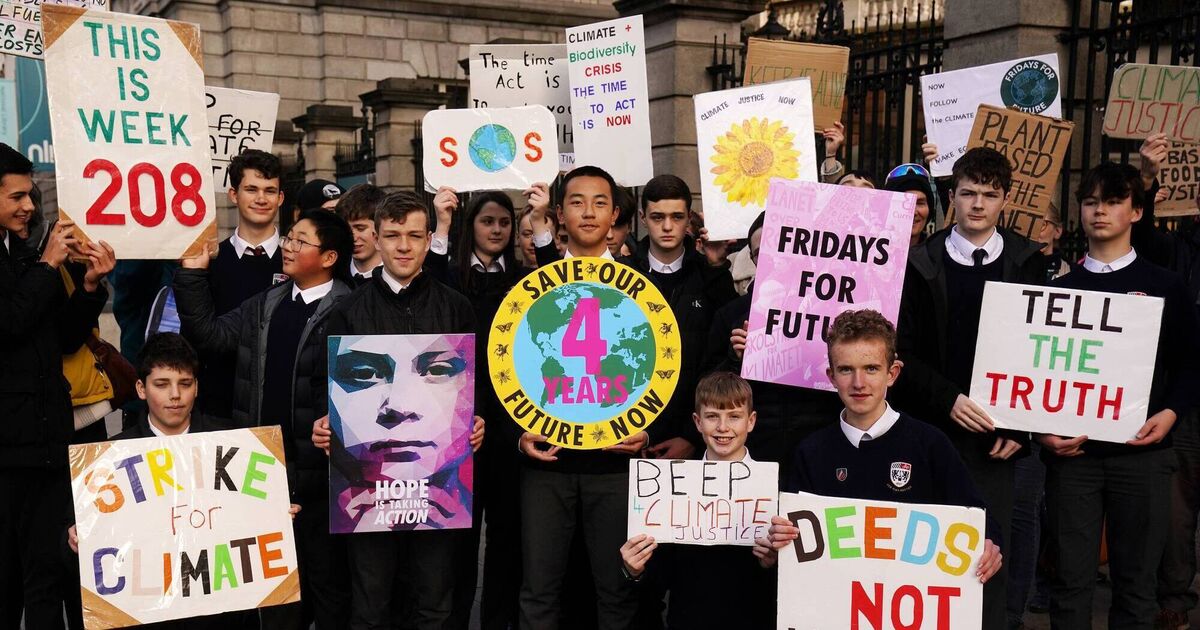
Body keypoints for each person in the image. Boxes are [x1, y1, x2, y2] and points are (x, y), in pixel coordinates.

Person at [309, 191, 484, 630]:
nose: (403, 245)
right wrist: (324, 422)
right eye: (392, 235)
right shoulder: (347, 311)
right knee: (371, 603)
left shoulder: (456, 307)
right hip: (370, 479)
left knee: (435, 602)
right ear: (376, 240)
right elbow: (324, 385)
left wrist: (477, 420)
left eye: (412, 235)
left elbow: (471, 386)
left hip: (438, 478)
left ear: (429, 240)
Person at [175, 209, 355, 629]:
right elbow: (210, 336)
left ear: (328, 257)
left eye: (299, 241)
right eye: (288, 238)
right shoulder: (266, 303)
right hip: (264, 474)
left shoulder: (351, 309)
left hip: (326, 477)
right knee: (275, 595)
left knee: (329, 591)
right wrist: (192, 276)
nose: (287, 247)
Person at [1038, 162, 1200, 629]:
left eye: (1112, 201)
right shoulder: (1058, 290)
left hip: (1144, 456)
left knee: (1136, 585)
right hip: (1073, 459)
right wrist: (1041, 432)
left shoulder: (1166, 286)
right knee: (1069, 582)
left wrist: (1170, 413)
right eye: (1090, 202)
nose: (1099, 212)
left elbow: (1193, 362)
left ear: (1136, 211)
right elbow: (1033, 371)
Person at [890, 146, 1045, 630]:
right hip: (929, 429)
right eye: (969, 193)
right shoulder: (918, 263)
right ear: (951, 196)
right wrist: (948, 400)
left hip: (996, 443)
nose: (978, 204)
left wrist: (1023, 428)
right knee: (923, 553)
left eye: (990, 195)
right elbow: (902, 353)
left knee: (988, 553)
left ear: (1005, 200)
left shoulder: (1027, 261)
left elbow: (1042, 353)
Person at [757, 309, 1003, 586]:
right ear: (831, 376)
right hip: (834, 605)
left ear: (892, 373)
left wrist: (989, 542)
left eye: (871, 368)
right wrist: (776, 546)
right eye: (846, 369)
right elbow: (790, 539)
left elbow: (979, 519)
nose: (858, 383)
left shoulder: (931, 445)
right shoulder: (811, 452)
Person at [63, 333, 280, 630]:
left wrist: (275, 512)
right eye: (161, 385)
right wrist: (77, 535)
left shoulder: (236, 444)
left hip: (220, 616)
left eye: (185, 384)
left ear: (197, 387)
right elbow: (80, 553)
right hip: (146, 615)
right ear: (141, 389)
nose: (175, 395)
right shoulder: (108, 458)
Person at [516, 166, 649, 630]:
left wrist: (648, 429)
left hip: (614, 468)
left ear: (615, 214)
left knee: (616, 592)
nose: (588, 212)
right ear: (559, 214)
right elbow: (506, 368)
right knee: (539, 592)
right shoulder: (530, 286)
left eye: (599, 202)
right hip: (547, 466)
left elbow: (665, 369)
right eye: (576, 201)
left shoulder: (642, 289)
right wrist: (519, 434)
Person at [0, 142, 115, 629]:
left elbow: (62, 337)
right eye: (17, 197)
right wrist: (48, 266)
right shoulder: (33, 259)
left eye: (31, 196)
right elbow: (7, 324)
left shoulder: (20, 251)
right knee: (8, 580)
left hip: (48, 442)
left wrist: (88, 286)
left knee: (48, 570)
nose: (30, 206)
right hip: (7, 450)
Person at [427, 187, 526, 629]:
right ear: (472, 226)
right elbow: (427, 287)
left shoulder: (524, 277)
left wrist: (540, 219)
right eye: (488, 221)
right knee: (457, 545)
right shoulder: (448, 276)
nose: (498, 230)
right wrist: (441, 224)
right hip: (457, 430)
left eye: (505, 222)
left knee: (507, 540)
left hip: (509, 428)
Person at [618, 372, 773, 630]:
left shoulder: (773, 486)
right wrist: (633, 570)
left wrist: (771, 564)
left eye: (734, 416)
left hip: (753, 620)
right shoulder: (669, 486)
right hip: (687, 619)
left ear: (751, 421)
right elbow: (657, 581)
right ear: (697, 422)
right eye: (713, 416)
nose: (723, 427)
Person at [705, 211, 842, 479]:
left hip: (820, 446)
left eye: (780, 249)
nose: (772, 260)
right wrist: (735, 360)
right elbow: (706, 386)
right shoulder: (731, 315)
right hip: (755, 450)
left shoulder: (835, 310)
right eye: (760, 253)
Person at [627, 175, 738, 461]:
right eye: (657, 217)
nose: (667, 226)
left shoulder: (710, 274)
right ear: (642, 217)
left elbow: (725, 355)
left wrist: (692, 435)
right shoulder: (621, 274)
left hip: (695, 437)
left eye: (677, 217)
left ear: (689, 218)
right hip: (627, 435)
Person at [198, 149, 286, 419]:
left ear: (280, 198)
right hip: (219, 406)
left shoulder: (297, 262)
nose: (261, 198)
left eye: (270, 190)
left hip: (278, 403)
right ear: (234, 194)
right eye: (251, 189)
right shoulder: (209, 262)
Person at [336, 183, 386, 286]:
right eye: (346, 228)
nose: (353, 237)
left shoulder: (399, 276)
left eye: (360, 228)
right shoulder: (333, 273)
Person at [883, 162, 937, 247]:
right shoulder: (866, 252)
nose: (913, 212)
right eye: (904, 203)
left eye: (920, 203)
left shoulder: (939, 254)